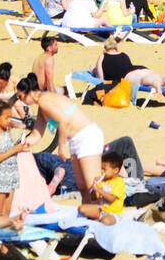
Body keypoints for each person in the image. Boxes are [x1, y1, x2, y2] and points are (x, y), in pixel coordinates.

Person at [14, 74, 106, 202]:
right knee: (83, 188)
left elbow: (63, 121)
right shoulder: (42, 106)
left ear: (29, 93)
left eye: (21, 96)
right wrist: (19, 147)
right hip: (76, 140)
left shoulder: (44, 100)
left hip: (87, 136)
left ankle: (101, 214)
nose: (21, 100)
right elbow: (36, 135)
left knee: (92, 186)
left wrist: (61, 147)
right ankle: (88, 217)